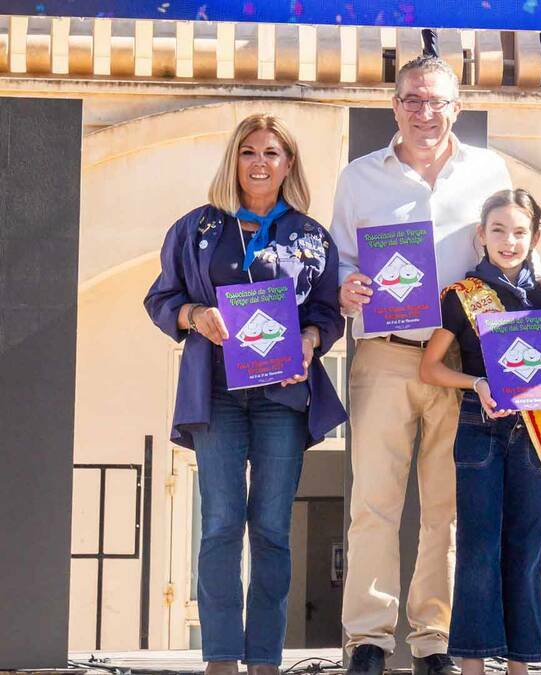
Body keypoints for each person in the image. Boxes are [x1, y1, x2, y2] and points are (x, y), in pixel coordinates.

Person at [332, 55, 541, 675]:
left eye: (436, 101)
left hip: (460, 360)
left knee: (445, 507)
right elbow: (340, 260)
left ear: (456, 107)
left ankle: (432, 635)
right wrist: (348, 285)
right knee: (374, 503)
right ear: (394, 104)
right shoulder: (360, 178)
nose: (423, 111)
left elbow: (511, 243)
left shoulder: (487, 169)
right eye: (411, 98)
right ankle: (369, 638)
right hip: (384, 354)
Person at [144, 114, 346, 675]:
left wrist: (310, 338)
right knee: (222, 522)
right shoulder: (197, 229)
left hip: (282, 395)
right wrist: (194, 314)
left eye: (273, 153)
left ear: (289, 164)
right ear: (233, 160)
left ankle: (264, 658)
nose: (260, 162)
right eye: (249, 151)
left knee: (274, 527)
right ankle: (221, 658)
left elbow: (328, 314)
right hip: (217, 393)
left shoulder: (310, 235)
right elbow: (161, 299)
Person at [419, 189, 541, 675]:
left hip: (532, 433)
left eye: (520, 231)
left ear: (536, 237)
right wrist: (477, 382)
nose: (508, 240)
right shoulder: (463, 296)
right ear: (481, 235)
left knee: (525, 545)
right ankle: (472, 663)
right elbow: (430, 368)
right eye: (498, 230)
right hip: (478, 428)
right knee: (479, 546)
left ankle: (521, 664)